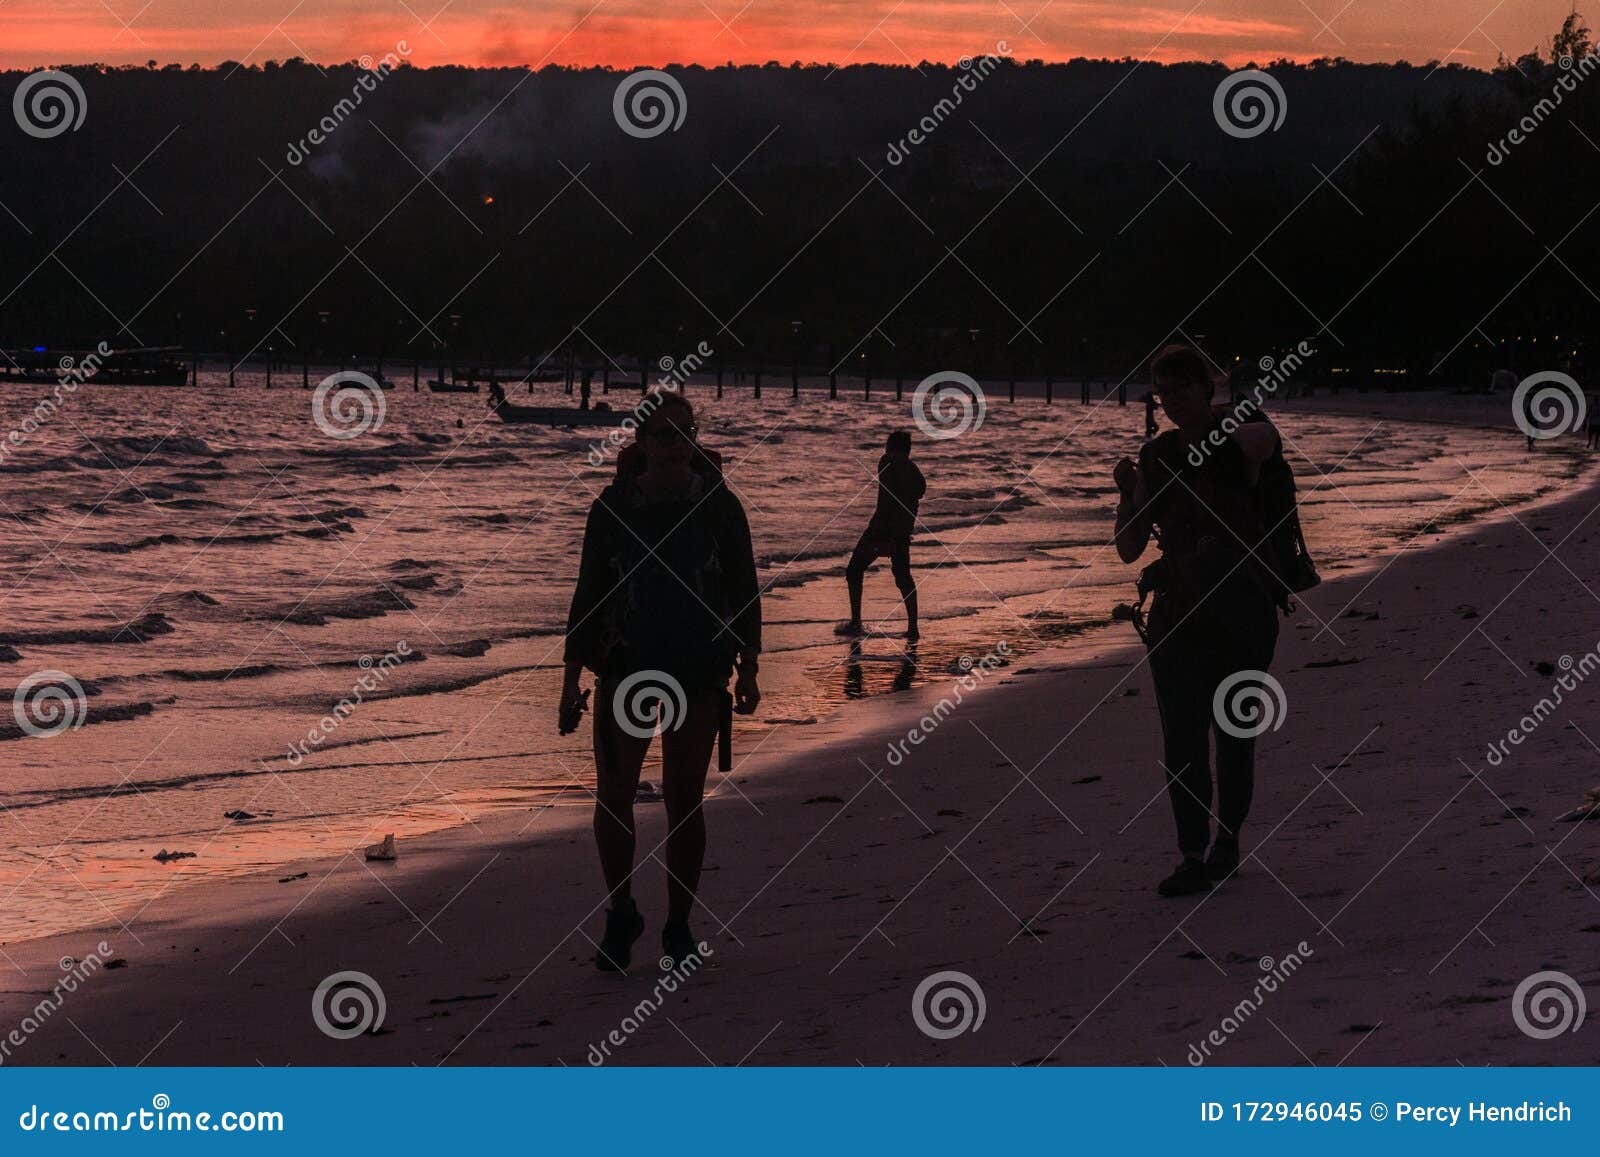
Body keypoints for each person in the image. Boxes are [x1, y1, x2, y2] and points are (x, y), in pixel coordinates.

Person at [561, 390, 762, 970]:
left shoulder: (720, 506)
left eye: (687, 433)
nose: (679, 446)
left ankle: (678, 925)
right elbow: (588, 596)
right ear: (642, 444)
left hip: (699, 669)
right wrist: (571, 677)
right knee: (615, 797)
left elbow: (745, 590)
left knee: (684, 799)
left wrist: (749, 665)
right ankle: (620, 912)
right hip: (626, 667)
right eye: (667, 435)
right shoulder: (613, 507)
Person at [1113, 345, 1282, 898]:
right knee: (1182, 741)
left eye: (1181, 390)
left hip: (1242, 611)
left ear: (1207, 388)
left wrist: (1223, 427)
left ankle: (1227, 845)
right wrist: (1127, 497)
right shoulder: (1156, 458)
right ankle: (1191, 854)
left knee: (1235, 736)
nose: (1172, 403)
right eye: (1163, 395)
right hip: (1177, 614)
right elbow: (1129, 548)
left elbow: (1265, 445)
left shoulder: (1242, 436)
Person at [839, 429, 926, 640]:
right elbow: (919, 493)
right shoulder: (915, 471)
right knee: (903, 578)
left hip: (882, 529)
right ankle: (913, 627)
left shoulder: (887, 462)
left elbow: (886, 499)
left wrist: (882, 535)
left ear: (889, 447)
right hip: (903, 532)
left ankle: (855, 621)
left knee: (854, 569)